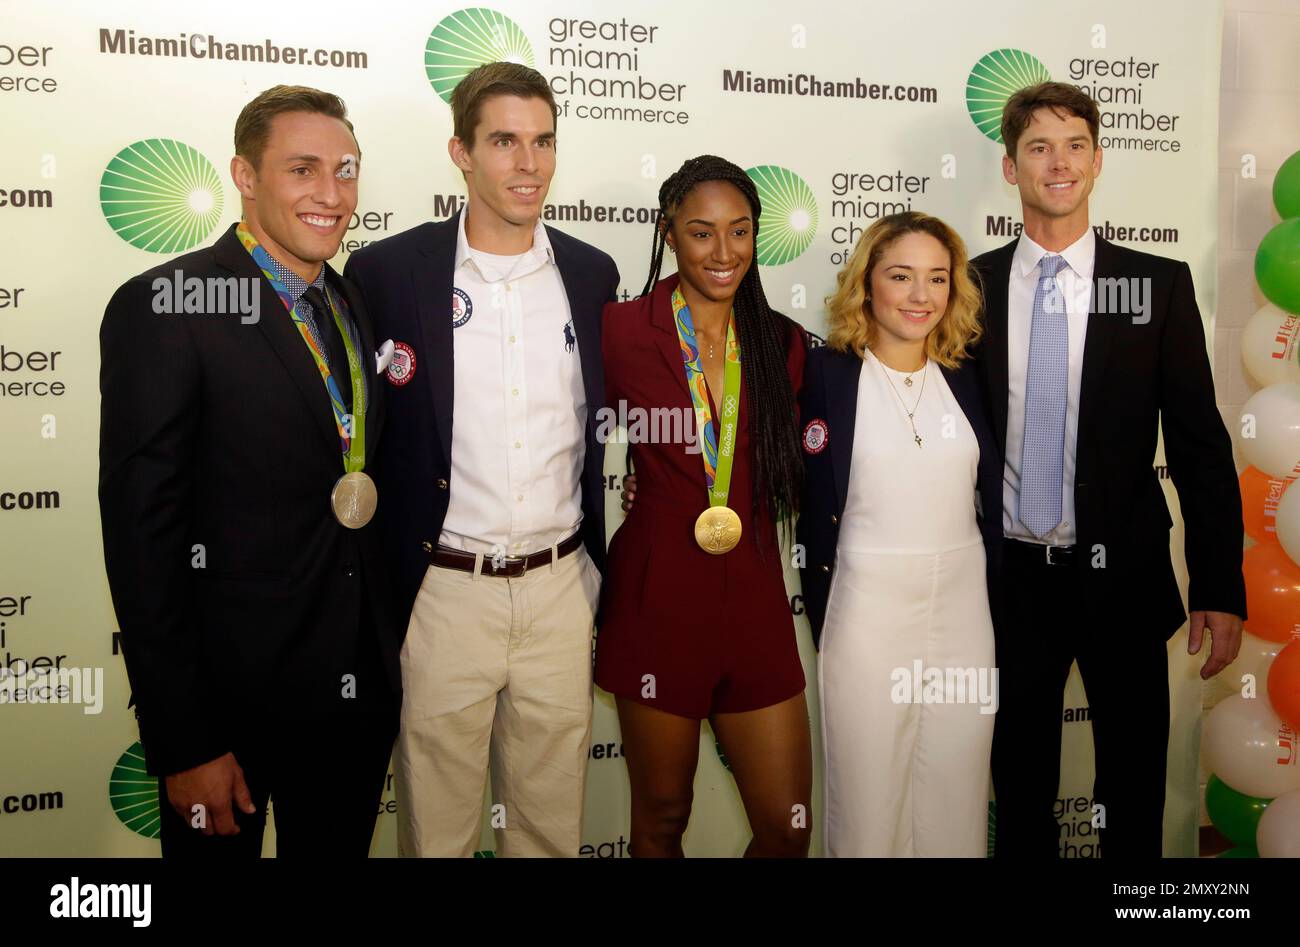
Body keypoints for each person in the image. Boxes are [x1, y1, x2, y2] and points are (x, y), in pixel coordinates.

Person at [99, 85, 399, 857]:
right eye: (303, 169)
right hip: (225, 714)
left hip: (350, 701)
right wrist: (184, 740)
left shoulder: (347, 299)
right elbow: (143, 543)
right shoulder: (167, 304)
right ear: (244, 174)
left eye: (346, 169)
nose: (331, 194)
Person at [343, 63, 619, 857]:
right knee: (437, 834)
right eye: (504, 141)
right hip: (442, 594)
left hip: (560, 590)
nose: (528, 163)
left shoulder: (593, 274)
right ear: (461, 152)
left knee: (549, 832)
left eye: (542, 141)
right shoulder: (388, 273)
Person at [973, 82, 1246, 858]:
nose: (1057, 162)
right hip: (1011, 584)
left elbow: (1199, 443)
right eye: (1037, 146)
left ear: (1097, 161)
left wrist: (1220, 585)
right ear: (1009, 167)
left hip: (1123, 581)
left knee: (1131, 792)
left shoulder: (1154, 286)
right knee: (1019, 787)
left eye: (1074, 144)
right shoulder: (970, 287)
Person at [596, 155, 812, 858]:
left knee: (787, 824)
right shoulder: (621, 328)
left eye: (740, 231)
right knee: (661, 820)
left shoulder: (781, 341)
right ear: (668, 233)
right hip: (658, 597)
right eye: (701, 233)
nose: (723, 252)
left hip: (753, 598)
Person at [796, 212, 1002, 857]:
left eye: (937, 278)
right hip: (866, 613)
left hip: (964, 612)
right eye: (901, 276)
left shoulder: (971, 375)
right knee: (866, 796)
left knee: (957, 786)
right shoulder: (823, 377)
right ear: (867, 283)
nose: (920, 296)